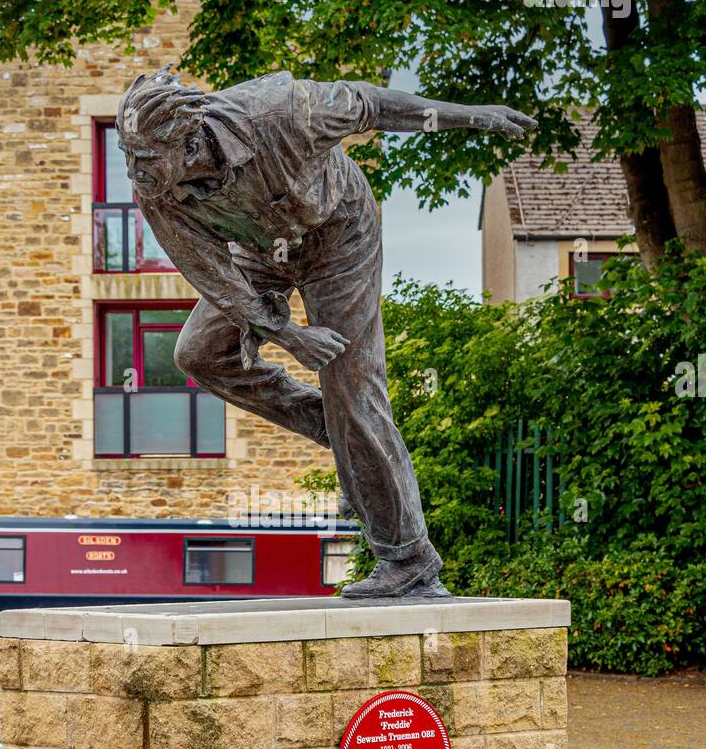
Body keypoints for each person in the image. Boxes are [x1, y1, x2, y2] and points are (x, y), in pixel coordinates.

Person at [116, 67, 535, 598]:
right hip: (258, 253)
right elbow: (209, 270)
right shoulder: (158, 188)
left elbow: (375, 105)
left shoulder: (281, 110)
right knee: (199, 353)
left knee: (353, 387)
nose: (138, 172)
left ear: (190, 137)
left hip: (340, 238)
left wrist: (475, 116)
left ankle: (409, 561)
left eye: (148, 157)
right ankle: (333, 425)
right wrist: (287, 331)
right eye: (131, 158)